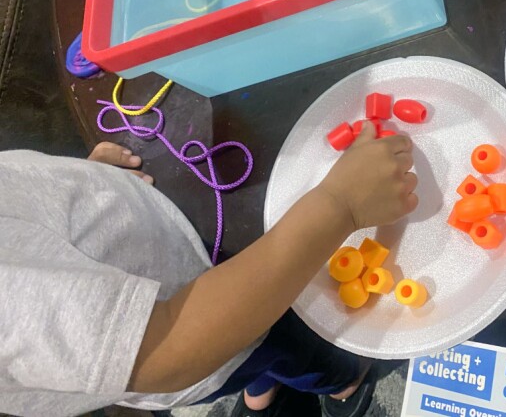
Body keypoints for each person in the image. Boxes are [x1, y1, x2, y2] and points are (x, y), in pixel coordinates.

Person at [0, 122, 416, 417]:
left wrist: (73, 188)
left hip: (168, 289)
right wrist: (339, 203)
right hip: (203, 330)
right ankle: (340, 384)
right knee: (284, 348)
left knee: (253, 362)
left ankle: (260, 392)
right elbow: (166, 351)